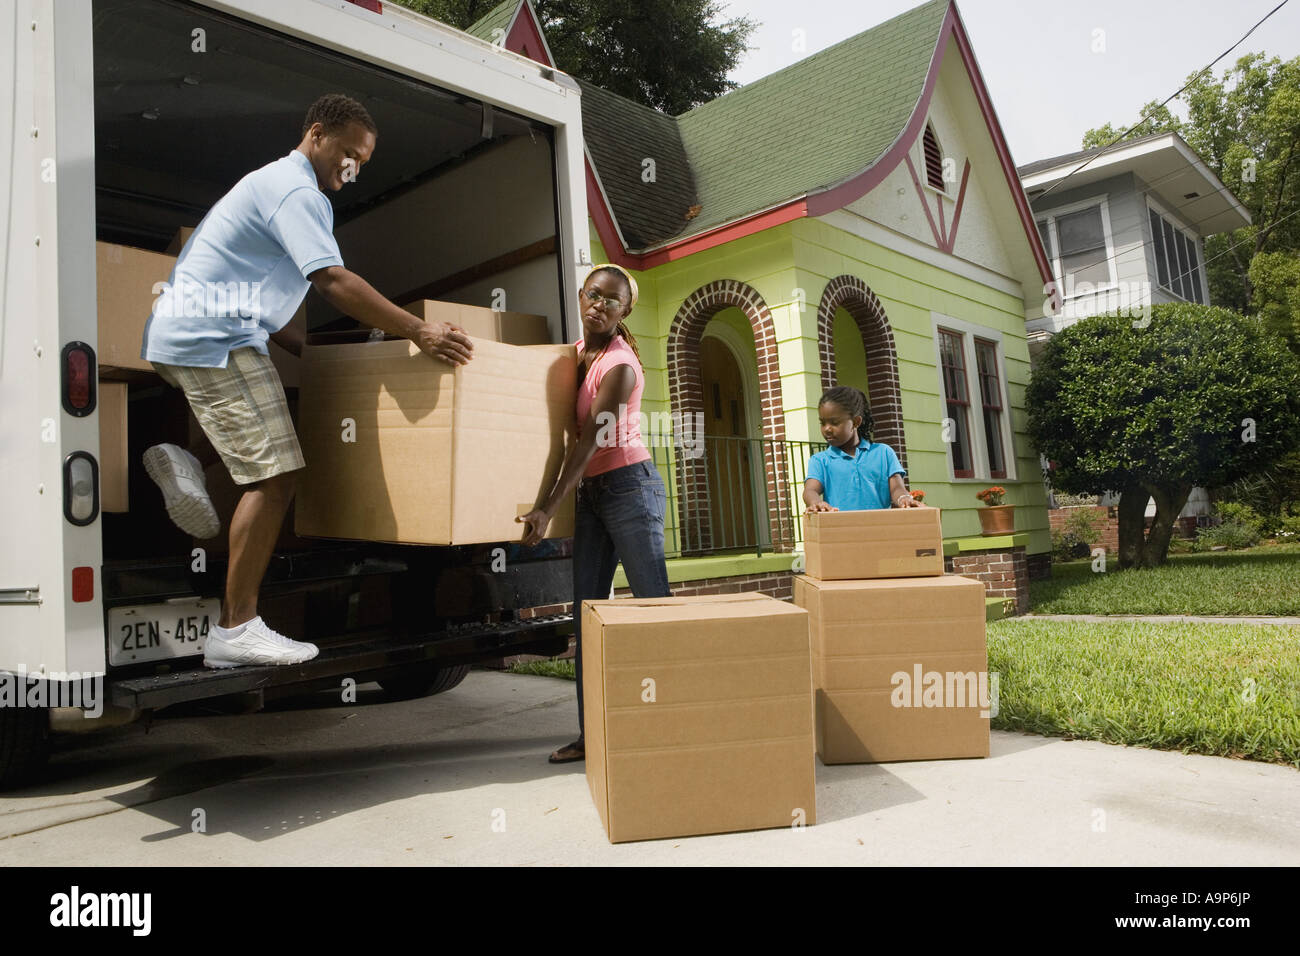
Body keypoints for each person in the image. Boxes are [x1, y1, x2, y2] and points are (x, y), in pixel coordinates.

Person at [140, 93, 475, 670]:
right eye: (347, 153)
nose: (352, 168)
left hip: (189, 332)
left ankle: (187, 459)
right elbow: (333, 282)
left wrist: (318, 352)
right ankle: (236, 629)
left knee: (255, 445)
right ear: (316, 134)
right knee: (276, 476)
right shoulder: (297, 193)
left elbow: (274, 304)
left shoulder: (274, 185)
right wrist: (418, 329)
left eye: (363, 163)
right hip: (214, 338)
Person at [518, 264, 671, 763]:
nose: (600, 305)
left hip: (630, 488)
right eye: (594, 294)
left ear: (625, 310)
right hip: (593, 494)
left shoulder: (619, 367)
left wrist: (546, 510)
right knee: (587, 616)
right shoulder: (577, 355)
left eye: (612, 300)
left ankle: (676, 721)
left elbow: (587, 443)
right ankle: (592, 736)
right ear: (582, 296)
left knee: (657, 613)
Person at [803, 386, 922, 512]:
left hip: (880, 529)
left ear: (856, 422)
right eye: (823, 423)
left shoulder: (883, 453)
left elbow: (896, 488)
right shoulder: (820, 461)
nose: (827, 428)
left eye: (834, 422)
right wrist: (816, 503)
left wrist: (904, 499)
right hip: (840, 530)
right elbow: (810, 490)